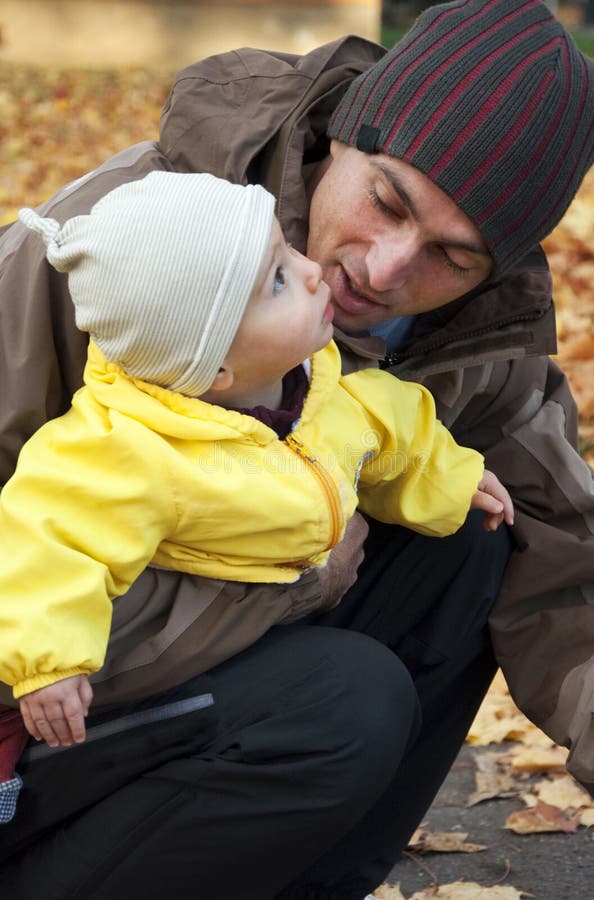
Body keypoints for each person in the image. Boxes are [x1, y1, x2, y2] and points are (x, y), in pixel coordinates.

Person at [1, 1, 594, 898]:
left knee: (476, 525)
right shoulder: (125, 247)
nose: (384, 272)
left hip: (191, 693)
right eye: (386, 201)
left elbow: (581, 572)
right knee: (342, 702)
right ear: (345, 131)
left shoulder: (478, 340)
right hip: (36, 716)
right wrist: (295, 579)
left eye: (452, 257)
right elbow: (34, 556)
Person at [0, 170, 510, 757]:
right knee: (348, 693)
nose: (312, 270)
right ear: (214, 368)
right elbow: (50, 541)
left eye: (286, 252)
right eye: (278, 280)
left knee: (467, 542)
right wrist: (50, 663)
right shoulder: (124, 451)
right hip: (163, 670)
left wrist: (453, 477)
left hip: (275, 614)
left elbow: (393, 428)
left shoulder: (314, 386)